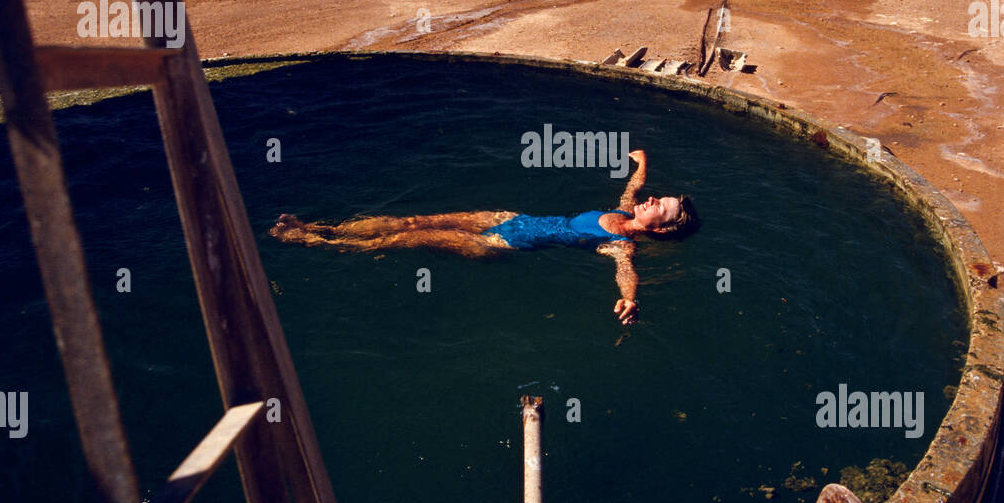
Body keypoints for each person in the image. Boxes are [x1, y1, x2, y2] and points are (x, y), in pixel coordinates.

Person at [269, 149, 698, 324]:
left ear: (660, 228)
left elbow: (625, 273)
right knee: (412, 222)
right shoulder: (624, 210)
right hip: (508, 217)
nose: (652, 200)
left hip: (503, 243)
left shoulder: (623, 245)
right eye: (657, 198)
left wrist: (631, 298)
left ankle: (313, 242)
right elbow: (633, 188)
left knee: (400, 242)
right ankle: (320, 226)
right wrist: (641, 164)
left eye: (661, 206)